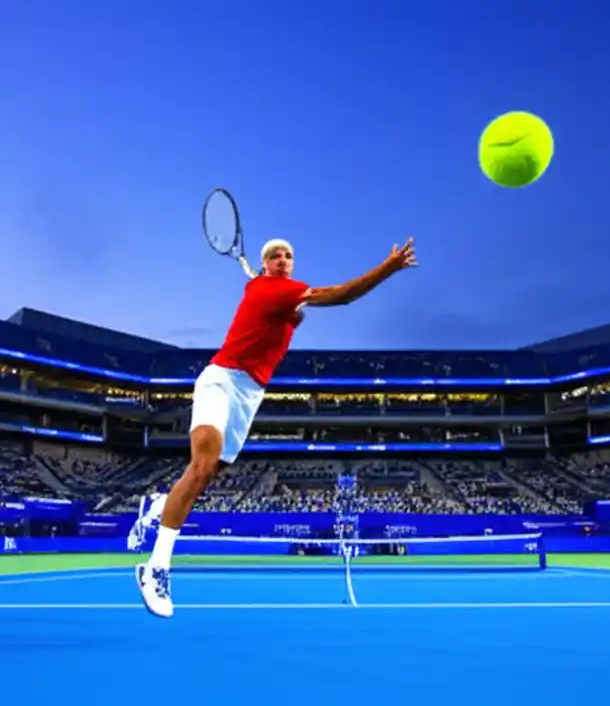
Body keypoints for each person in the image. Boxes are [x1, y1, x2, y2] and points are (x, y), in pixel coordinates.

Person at [135, 236, 418, 617]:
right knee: (201, 467)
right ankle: (156, 567)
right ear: (265, 265)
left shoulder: (271, 292)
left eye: (288, 255)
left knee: (212, 471)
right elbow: (342, 296)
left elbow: (286, 314)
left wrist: (292, 314)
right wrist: (389, 267)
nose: (283, 259)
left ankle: (160, 504)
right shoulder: (276, 290)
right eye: (274, 256)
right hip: (221, 379)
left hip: (250, 393)